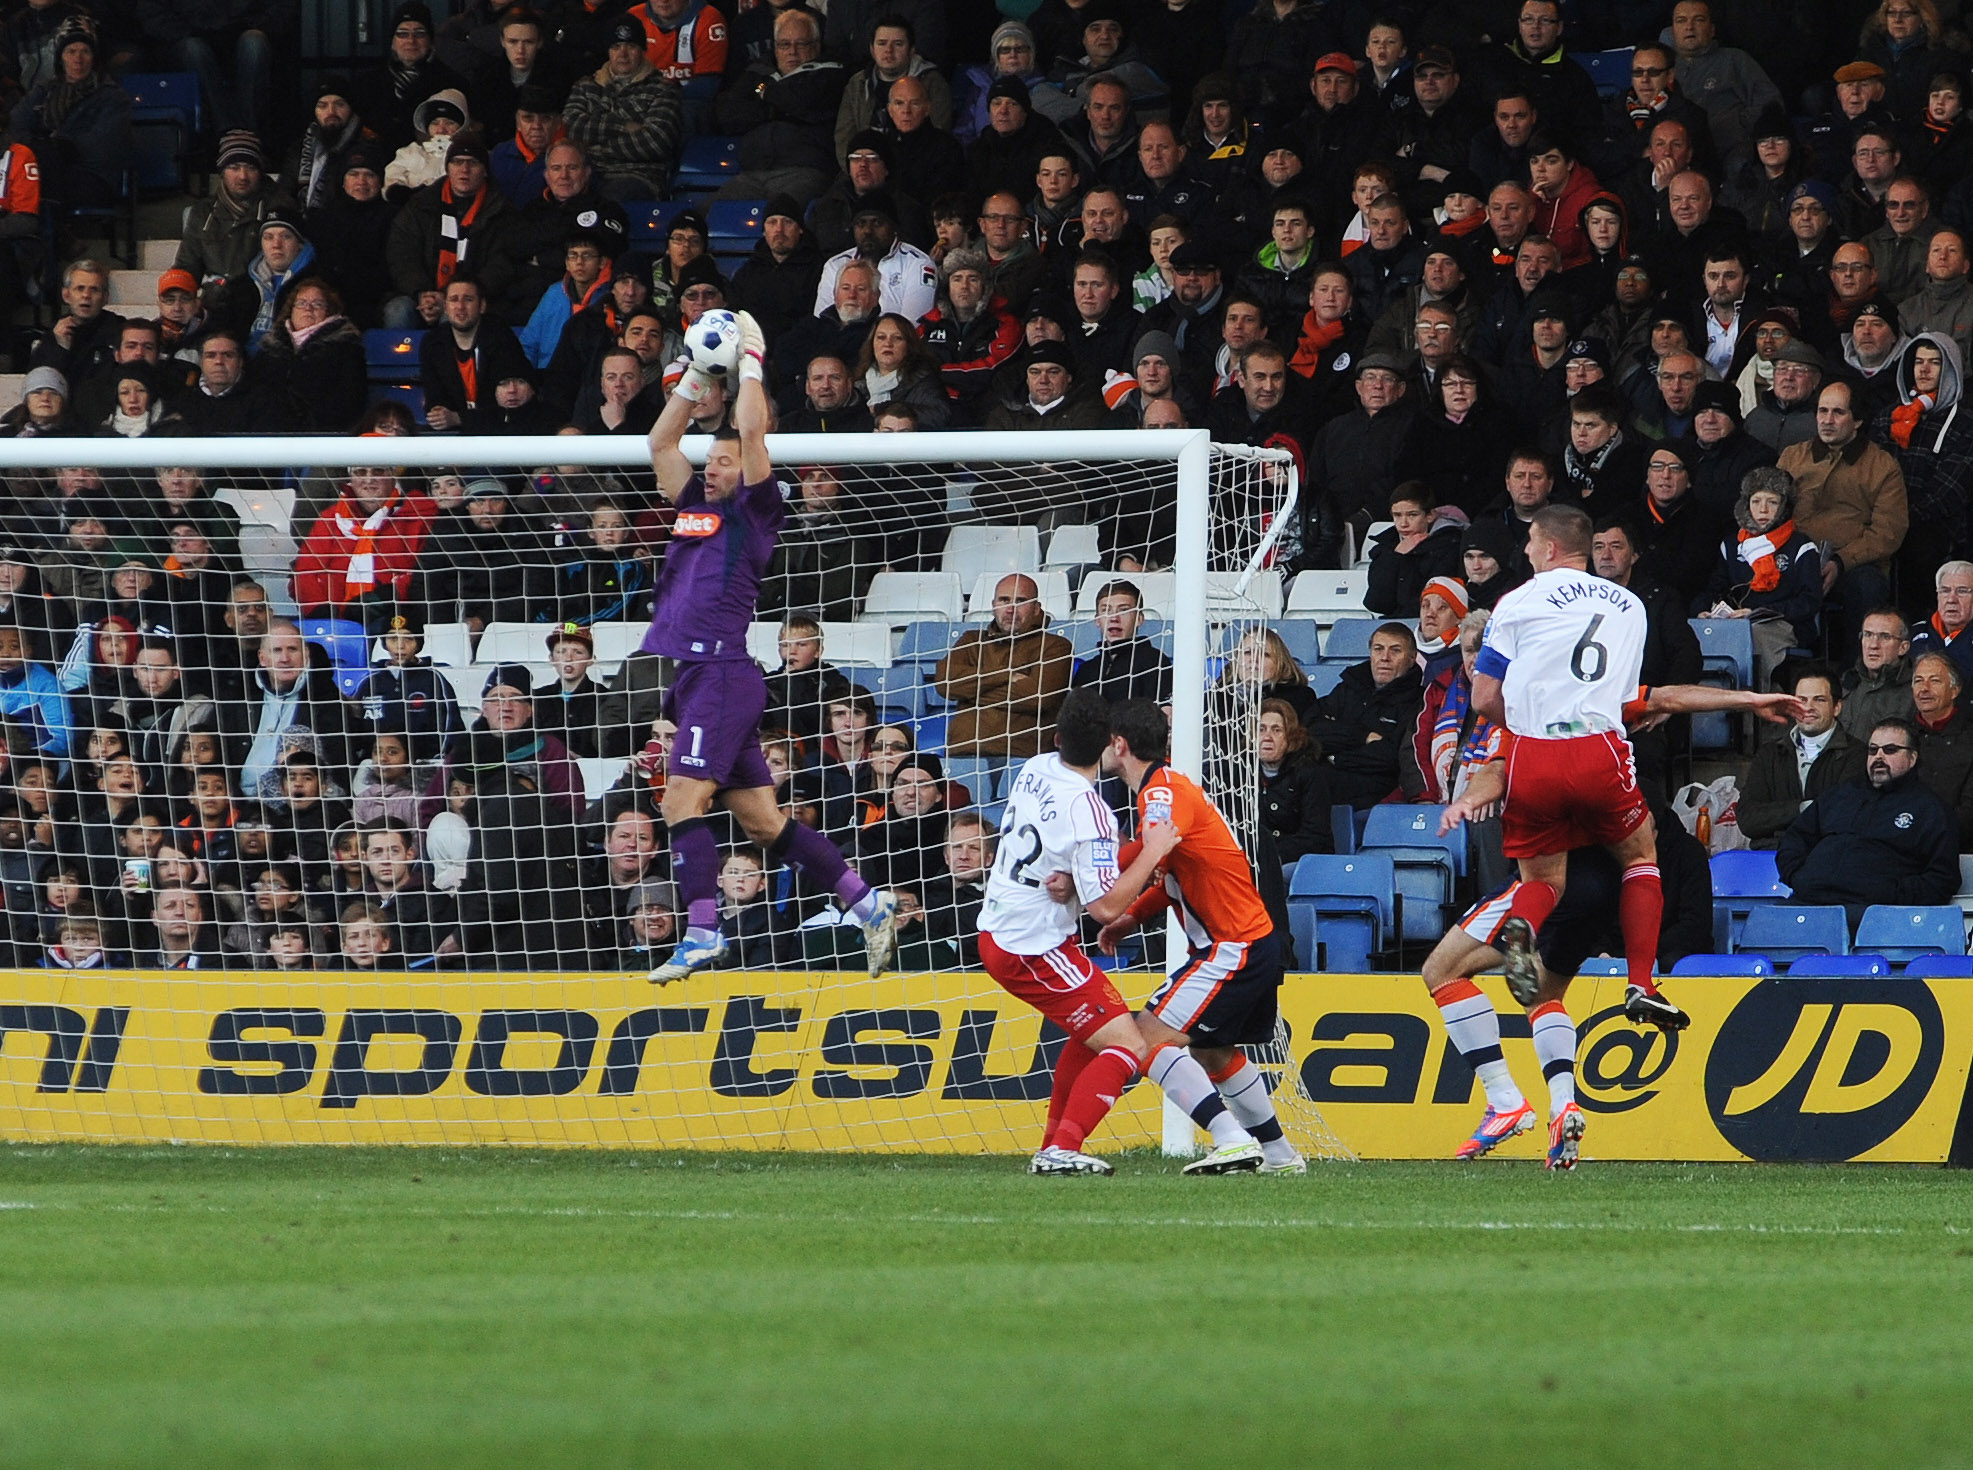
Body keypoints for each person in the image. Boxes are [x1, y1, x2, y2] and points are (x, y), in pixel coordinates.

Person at [1426, 680, 1801, 1165]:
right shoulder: (1598, 695)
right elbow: (1669, 698)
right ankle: (1565, 1104)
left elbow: (1496, 770)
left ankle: (1504, 1101)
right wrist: (1749, 700)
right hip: (1612, 888)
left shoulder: (1521, 704)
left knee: (1442, 972)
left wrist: (1466, 801)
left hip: (1556, 875)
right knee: (1545, 994)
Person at [639, 309, 899, 984]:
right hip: (705, 677)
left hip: (721, 674)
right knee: (761, 823)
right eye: (715, 458)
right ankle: (866, 903)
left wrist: (750, 359)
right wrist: (696, 375)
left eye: (727, 459)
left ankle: (700, 930)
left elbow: (753, 428)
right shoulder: (693, 505)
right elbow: (661, 442)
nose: (717, 463)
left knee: (677, 804)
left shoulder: (755, 517)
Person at [974, 688, 1237, 1177]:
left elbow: (1060, 860)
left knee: (1094, 1032)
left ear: (1056, 737)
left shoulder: (1033, 768)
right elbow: (1107, 906)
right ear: (1106, 746)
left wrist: (1072, 879)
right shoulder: (1090, 810)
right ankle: (1061, 1149)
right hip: (1033, 946)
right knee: (1130, 1046)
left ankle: (1055, 1143)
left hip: (1002, 926)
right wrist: (1153, 850)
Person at [1450, 504, 1682, 1031]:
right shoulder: (1630, 605)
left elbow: (1485, 698)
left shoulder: (1516, 601)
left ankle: (1523, 927)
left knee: (1543, 877)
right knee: (1641, 855)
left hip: (1534, 751)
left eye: (1531, 542)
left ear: (1550, 547)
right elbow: (1626, 695)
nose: (1526, 551)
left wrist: (1534, 717)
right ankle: (1641, 984)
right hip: (1597, 746)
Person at [1092, 699, 1302, 1172]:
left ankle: (1230, 1138)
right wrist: (1132, 918)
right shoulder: (1170, 788)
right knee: (1212, 1051)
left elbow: (1149, 852)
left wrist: (1087, 866)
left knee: (1142, 1040)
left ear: (1119, 745)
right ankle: (1279, 1154)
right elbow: (1172, 876)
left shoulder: (1161, 793)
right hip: (1250, 941)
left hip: (1233, 946)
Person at [1776, 716, 1958, 921]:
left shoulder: (1930, 809)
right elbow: (1794, 839)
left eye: (1890, 750)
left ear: (1912, 758)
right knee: (1761, 928)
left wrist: (1891, 895)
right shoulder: (1839, 794)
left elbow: (1943, 878)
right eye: (1873, 750)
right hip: (1806, 902)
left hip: (1873, 916)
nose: (1878, 757)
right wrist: (1798, 877)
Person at [1696, 464, 1823, 683]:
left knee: (1751, 637)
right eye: (1756, 502)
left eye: (1772, 502)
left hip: (1785, 625)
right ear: (1746, 505)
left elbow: (1809, 601)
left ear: (1784, 506)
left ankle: (1753, 710)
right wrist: (1704, 611)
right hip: (1735, 623)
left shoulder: (1801, 546)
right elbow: (1716, 588)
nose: (1763, 510)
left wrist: (1759, 612)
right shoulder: (1732, 545)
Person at [1737, 662, 1867, 847]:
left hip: (1829, 860)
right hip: (1771, 858)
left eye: (1819, 700)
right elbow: (1748, 820)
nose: (1809, 707)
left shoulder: (1857, 754)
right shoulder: (1769, 754)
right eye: (1802, 700)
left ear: (1837, 707)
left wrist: (1778, 821)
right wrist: (1802, 808)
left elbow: (1845, 817)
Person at [1303, 621, 1423, 811]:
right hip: (1326, 783)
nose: (1385, 657)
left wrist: (1335, 756)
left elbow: (1391, 758)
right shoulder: (1349, 687)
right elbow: (1310, 731)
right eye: (1378, 649)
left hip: (1375, 794)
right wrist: (1362, 737)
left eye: (1395, 650)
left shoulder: (1418, 701)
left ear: (1411, 658)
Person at [1068, 579, 1171, 705]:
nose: (1114, 618)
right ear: (1097, 620)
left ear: (1139, 619)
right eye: (1106, 610)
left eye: (1124, 610)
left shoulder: (1155, 662)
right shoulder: (1087, 670)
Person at [1908, 651, 1973, 843]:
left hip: (1957, 844)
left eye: (1934, 681)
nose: (1924, 689)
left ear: (1955, 690)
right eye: (1918, 681)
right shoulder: (1901, 735)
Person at [1840, 606, 1917, 739]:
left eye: (1885, 637)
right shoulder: (1845, 683)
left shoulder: (1916, 690)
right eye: (1868, 635)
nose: (1873, 645)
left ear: (1903, 648)